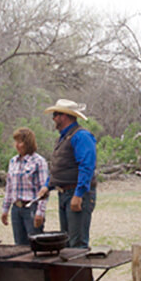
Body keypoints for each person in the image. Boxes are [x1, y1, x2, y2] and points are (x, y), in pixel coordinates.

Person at [36, 99, 97, 249]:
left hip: (75, 193)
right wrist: (47, 186)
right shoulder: (63, 138)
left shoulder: (81, 136)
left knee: (77, 242)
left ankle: (80, 272)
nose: (53, 118)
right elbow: (60, 168)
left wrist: (79, 195)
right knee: (67, 241)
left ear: (64, 116)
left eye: (56, 114)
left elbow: (86, 166)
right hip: (64, 193)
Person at [1, 127, 49, 245]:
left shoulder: (39, 161)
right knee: (19, 245)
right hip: (16, 208)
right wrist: (5, 209)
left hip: (31, 208)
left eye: (20, 142)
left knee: (35, 244)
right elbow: (9, 188)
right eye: (15, 142)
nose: (17, 145)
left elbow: (44, 190)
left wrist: (40, 212)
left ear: (27, 143)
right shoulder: (13, 161)